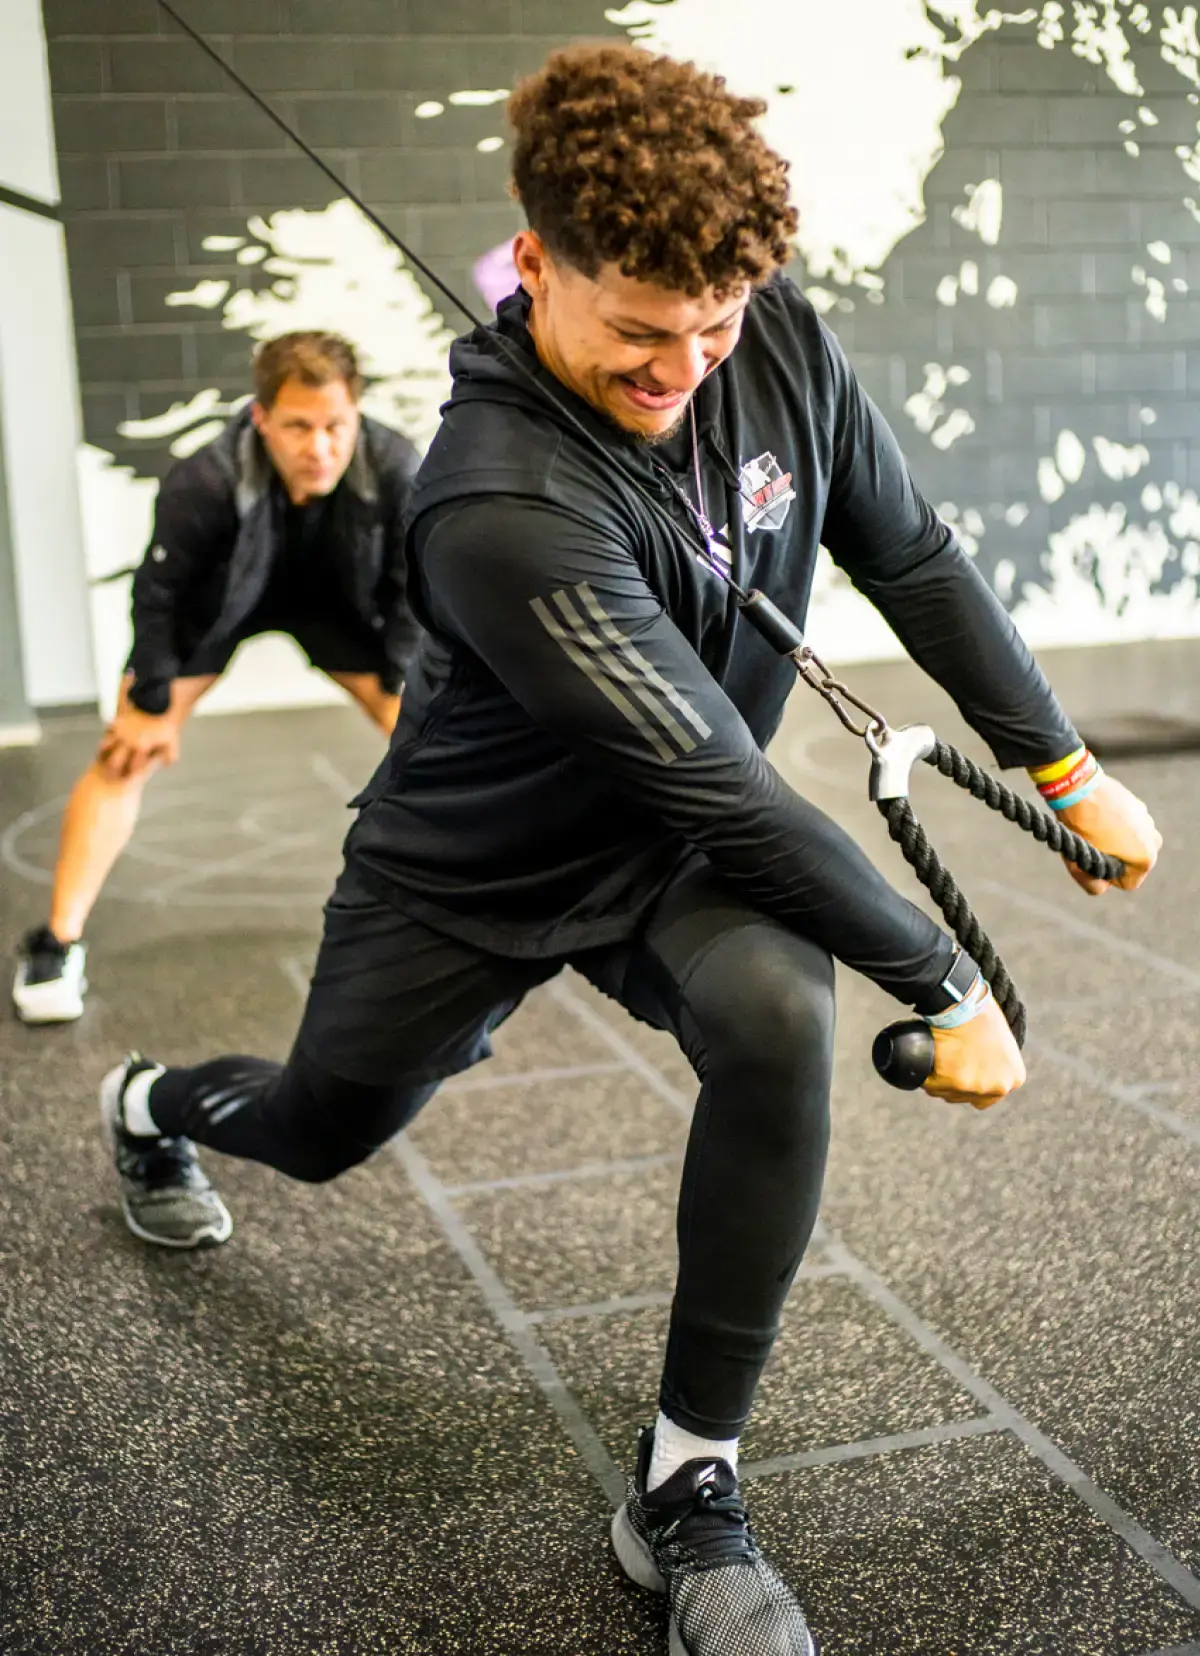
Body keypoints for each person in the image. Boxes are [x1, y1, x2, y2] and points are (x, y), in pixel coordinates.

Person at [97, 46, 1161, 1656]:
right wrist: (942, 976)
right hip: (476, 867)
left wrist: (1063, 766)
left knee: (780, 1022)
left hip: (677, 850)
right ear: (533, 269)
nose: (685, 367)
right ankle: (150, 1106)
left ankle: (687, 1482)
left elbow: (913, 551)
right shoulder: (491, 498)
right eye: (639, 332)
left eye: (713, 326)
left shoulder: (773, 332)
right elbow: (723, 786)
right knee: (321, 1130)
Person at [13, 330, 420, 1038]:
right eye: (298, 426)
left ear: (356, 414)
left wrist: (401, 674)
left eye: (335, 426)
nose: (319, 447)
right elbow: (159, 592)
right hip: (218, 612)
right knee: (125, 754)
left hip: (339, 608)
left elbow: (415, 584)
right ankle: (55, 945)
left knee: (431, 737)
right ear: (261, 418)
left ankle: (488, 913)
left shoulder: (393, 463)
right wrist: (148, 702)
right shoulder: (203, 478)